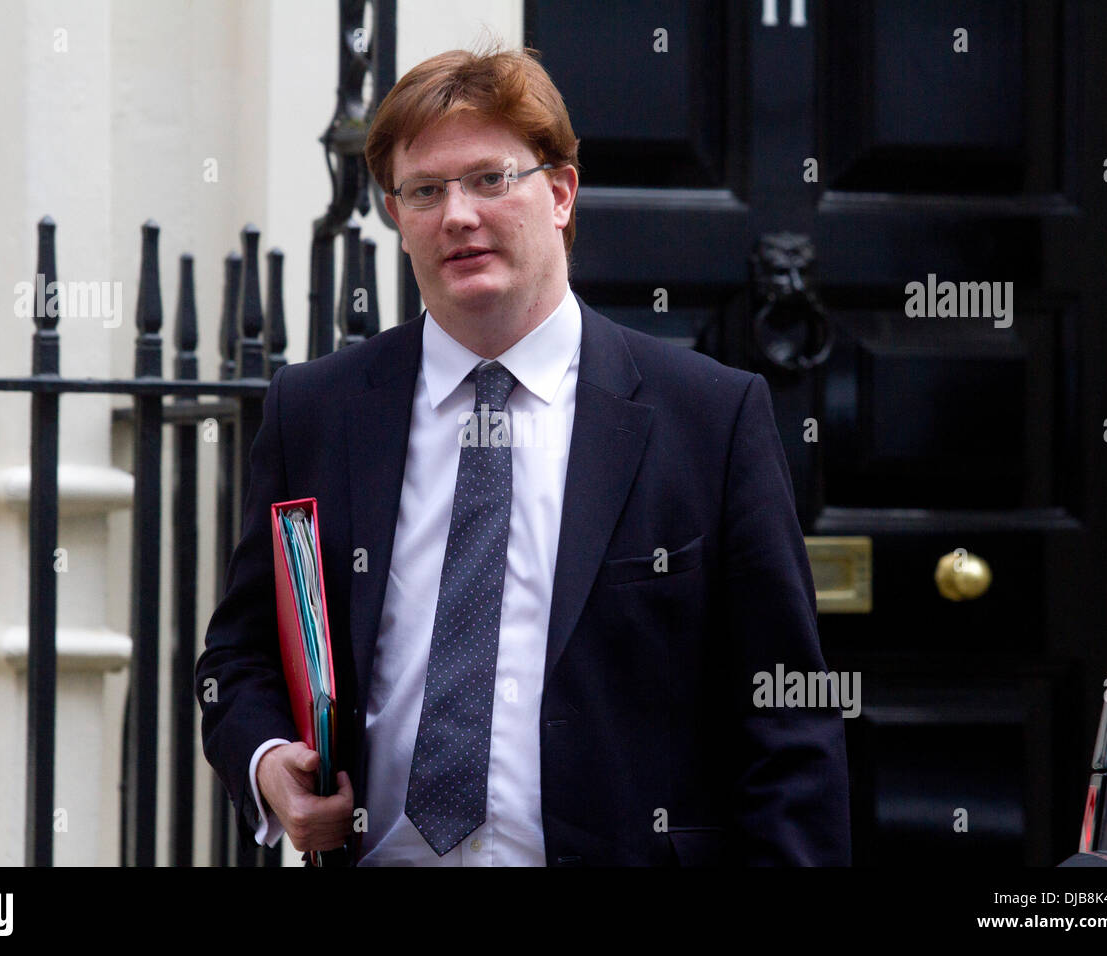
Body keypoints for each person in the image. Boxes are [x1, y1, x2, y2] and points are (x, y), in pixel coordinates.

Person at [196, 44, 850, 866]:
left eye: (489, 179)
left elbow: (786, 721)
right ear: (398, 219)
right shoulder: (318, 411)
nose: (457, 215)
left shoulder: (709, 418)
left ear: (562, 192)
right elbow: (240, 655)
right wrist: (266, 765)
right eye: (424, 191)